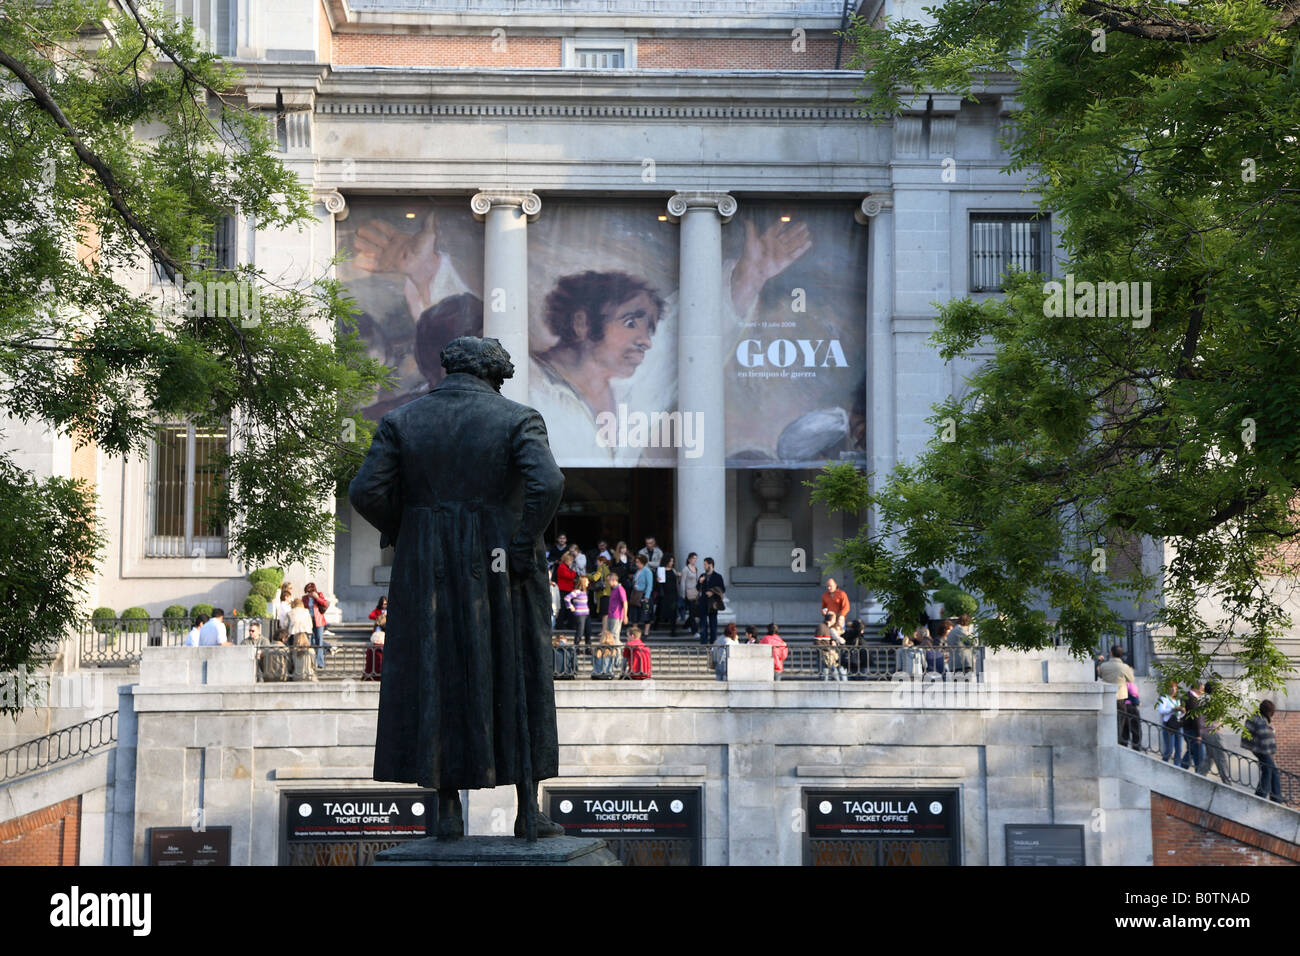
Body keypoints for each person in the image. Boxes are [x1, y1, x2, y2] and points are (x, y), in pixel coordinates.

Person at [349, 335, 567, 840]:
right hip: (499, 558)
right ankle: (527, 811)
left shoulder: (402, 420)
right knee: (517, 668)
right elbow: (549, 482)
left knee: (435, 668)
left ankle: (446, 810)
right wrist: (522, 539)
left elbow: (366, 491)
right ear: (495, 374)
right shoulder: (518, 418)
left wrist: (406, 528)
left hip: (427, 560)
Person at [1097, 644, 1138, 749]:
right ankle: (1118, 744)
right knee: (1120, 723)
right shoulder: (1124, 667)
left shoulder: (1104, 666)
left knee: (1106, 722)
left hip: (1105, 699)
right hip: (1120, 699)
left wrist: (1100, 662)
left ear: (1111, 653)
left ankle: (1107, 741)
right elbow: (1131, 680)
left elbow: (1100, 675)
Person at [1244, 700, 1281, 802]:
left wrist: (1269, 729)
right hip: (1260, 749)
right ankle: (1262, 796)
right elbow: (1263, 736)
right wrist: (1271, 731)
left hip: (1256, 748)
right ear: (1269, 712)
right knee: (1269, 771)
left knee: (1271, 771)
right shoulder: (1260, 720)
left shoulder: (1257, 717)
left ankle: (1274, 797)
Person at [1196, 681, 1233, 782]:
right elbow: (1220, 714)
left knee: (1210, 757)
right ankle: (1227, 782)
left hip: (1204, 731)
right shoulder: (1214, 700)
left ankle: (1199, 776)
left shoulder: (1201, 699)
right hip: (1213, 731)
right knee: (1221, 757)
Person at [696, 557, 725, 646]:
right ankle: (703, 644)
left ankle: (713, 644)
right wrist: (700, 582)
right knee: (703, 625)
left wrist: (712, 592)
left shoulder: (718, 576)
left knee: (713, 625)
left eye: (705, 564)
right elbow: (698, 589)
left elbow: (722, 589)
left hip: (713, 604)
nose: (704, 566)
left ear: (710, 565)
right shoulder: (702, 576)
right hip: (703, 603)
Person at [1156, 681, 1184, 765]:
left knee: (1179, 749)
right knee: (1169, 749)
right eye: (1171, 688)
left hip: (1177, 724)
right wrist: (1173, 709)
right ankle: (1164, 764)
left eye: (1175, 688)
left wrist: (1182, 711)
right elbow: (1161, 710)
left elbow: (1179, 715)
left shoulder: (1177, 700)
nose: (1173, 690)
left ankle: (1177, 766)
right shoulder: (1164, 698)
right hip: (1168, 725)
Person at [302, 583, 330, 670]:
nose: (309, 593)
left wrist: (317, 597)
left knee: (319, 641)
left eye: (311, 591)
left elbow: (325, 604)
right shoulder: (304, 598)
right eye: (308, 592)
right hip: (308, 621)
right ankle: (310, 662)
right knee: (309, 641)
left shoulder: (319, 595)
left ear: (314, 590)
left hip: (318, 621)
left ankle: (320, 663)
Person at [1180, 681, 1206, 769]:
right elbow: (1195, 718)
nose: (1203, 691)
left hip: (1188, 729)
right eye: (1202, 689)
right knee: (1199, 755)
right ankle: (1199, 774)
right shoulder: (1192, 699)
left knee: (1190, 751)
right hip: (1193, 730)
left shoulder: (1187, 696)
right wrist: (1198, 734)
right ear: (1196, 688)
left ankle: (1182, 769)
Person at [814, 612, 846, 681]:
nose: (835, 621)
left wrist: (831, 643)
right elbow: (817, 642)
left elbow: (826, 641)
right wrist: (828, 649)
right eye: (835, 619)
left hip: (830, 658)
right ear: (832, 619)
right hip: (823, 657)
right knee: (825, 676)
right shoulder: (821, 627)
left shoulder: (828, 628)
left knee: (835, 676)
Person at [632, 554, 655, 638]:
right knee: (635, 614)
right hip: (637, 594)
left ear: (642, 562)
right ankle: (634, 632)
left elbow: (649, 585)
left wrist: (647, 596)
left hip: (644, 594)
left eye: (638, 562)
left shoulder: (647, 571)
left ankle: (646, 632)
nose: (636, 564)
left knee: (646, 613)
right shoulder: (637, 571)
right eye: (636, 562)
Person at [656, 555, 680, 635]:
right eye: (670, 561)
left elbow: (676, 582)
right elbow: (659, 583)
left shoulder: (673, 570)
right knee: (661, 610)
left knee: (673, 611)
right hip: (665, 594)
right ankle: (656, 624)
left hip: (673, 594)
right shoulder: (661, 570)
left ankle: (673, 630)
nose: (672, 563)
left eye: (672, 561)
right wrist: (657, 580)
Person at [554, 551, 578, 631]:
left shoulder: (565, 567)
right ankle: (560, 625)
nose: (571, 562)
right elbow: (568, 576)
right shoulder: (562, 566)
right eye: (570, 560)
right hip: (563, 589)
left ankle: (569, 624)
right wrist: (574, 572)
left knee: (568, 608)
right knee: (563, 608)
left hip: (567, 589)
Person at [565, 575, 591, 648]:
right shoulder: (577, 591)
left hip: (586, 614)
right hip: (580, 614)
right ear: (583, 582)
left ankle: (588, 648)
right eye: (587, 581)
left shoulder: (585, 592)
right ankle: (576, 648)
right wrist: (570, 606)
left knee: (588, 631)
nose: (588, 583)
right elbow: (567, 598)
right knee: (580, 632)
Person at [680, 552, 700, 635]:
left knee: (695, 612)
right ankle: (694, 631)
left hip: (696, 593)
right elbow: (682, 582)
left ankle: (686, 625)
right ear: (689, 559)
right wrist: (683, 594)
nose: (695, 560)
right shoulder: (686, 569)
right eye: (693, 558)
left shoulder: (696, 568)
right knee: (691, 612)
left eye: (696, 558)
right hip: (688, 593)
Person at [605, 571, 628, 641]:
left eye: (608, 580)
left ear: (614, 580)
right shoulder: (614, 589)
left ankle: (617, 651)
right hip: (611, 614)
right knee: (610, 635)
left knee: (614, 635)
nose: (608, 582)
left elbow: (625, 602)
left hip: (617, 615)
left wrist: (625, 616)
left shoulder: (620, 589)